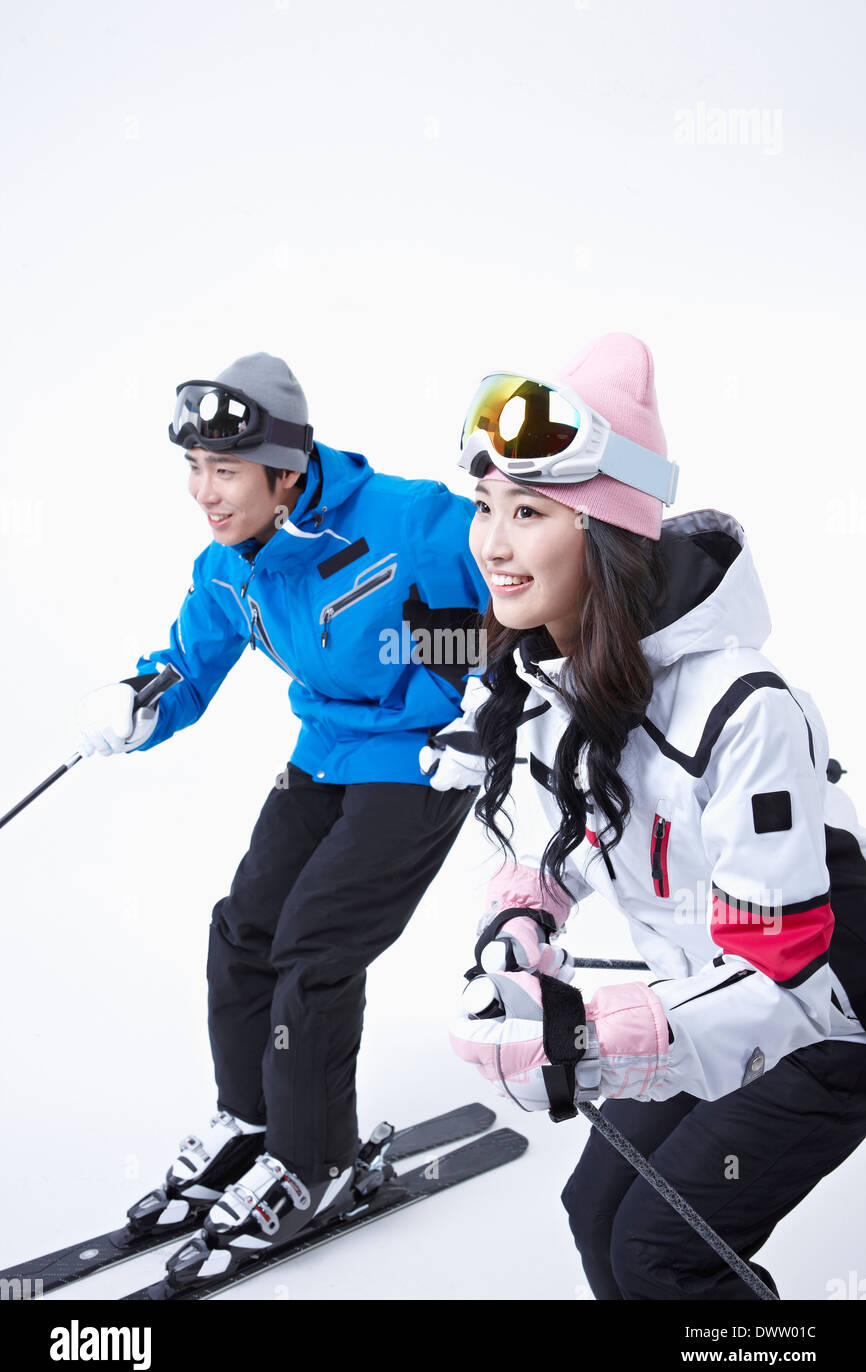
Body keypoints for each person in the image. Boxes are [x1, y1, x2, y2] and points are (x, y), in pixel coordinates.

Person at [423, 333, 866, 1300]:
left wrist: (589, 1036)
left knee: (659, 1253)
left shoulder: (745, 709)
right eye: (484, 507)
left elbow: (782, 976)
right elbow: (552, 846)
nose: (491, 544)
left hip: (830, 1013)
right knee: (596, 1216)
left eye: (530, 511)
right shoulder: (552, 670)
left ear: (605, 532)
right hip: (700, 995)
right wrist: (520, 934)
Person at [75, 352, 486, 1289]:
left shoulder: (407, 523)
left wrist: (480, 695)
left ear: (284, 472)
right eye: (193, 470)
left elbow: (527, 581)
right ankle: (257, 1123)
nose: (203, 493)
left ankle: (315, 1165)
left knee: (316, 946)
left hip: (423, 756)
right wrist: (140, 702)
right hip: (326, 751)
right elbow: (190, 661)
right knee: (244, 929)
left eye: (224, 471)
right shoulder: (228, 568)